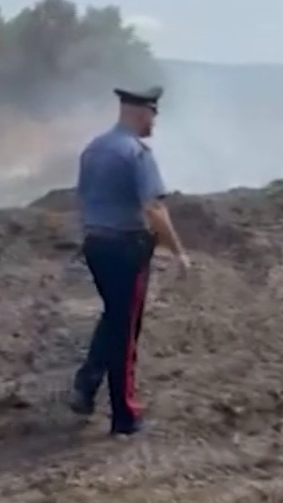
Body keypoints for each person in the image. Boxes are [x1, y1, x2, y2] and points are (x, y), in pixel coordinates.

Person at [68, 85, 191, 436]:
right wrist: (178, 252)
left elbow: (82, 199)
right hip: (126, 249)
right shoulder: (136, 154)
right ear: (140, 112)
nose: (154, 121)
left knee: (114, 316)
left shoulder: (93, 149)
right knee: (125, 331)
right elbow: (153, 207)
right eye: (153, 114)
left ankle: (86, 383)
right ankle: (125, 414)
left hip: (96, 245)